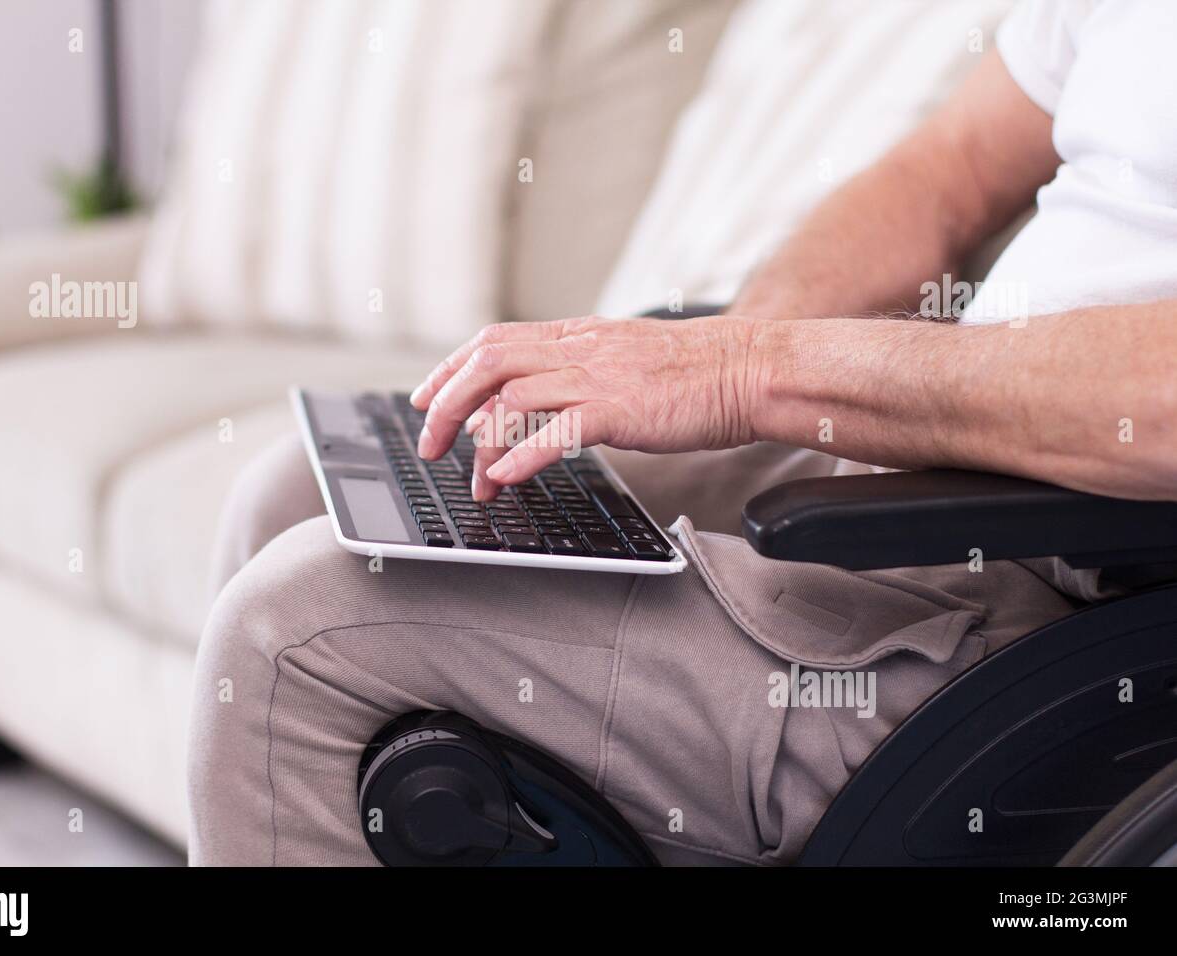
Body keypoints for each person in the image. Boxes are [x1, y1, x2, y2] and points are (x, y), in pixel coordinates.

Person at [188, 0, 1177, 865]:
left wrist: (747, 374)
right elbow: (943, 171)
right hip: (940, 452)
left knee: (294, 628)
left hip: (1079, 593)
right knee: (319, 484)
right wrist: (734, 343)